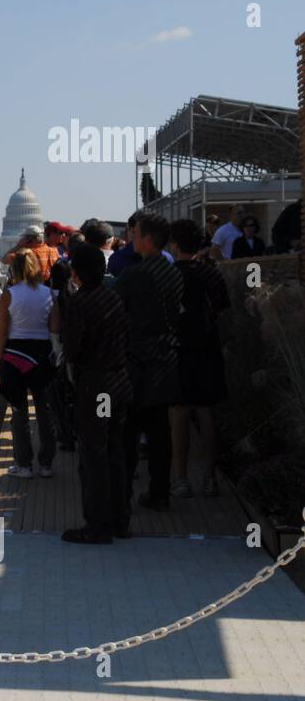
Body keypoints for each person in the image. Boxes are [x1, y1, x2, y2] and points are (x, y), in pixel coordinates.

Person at [60, 244, 133, 544]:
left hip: (96, 386)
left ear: (76, 273)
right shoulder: (114, 297)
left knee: (93, 455)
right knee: (117, 452)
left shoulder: (80, 303)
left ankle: (97, 524)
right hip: (120, 382)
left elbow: (73, 349)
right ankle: (120, 519)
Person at [115, 213, 183, 512]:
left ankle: (123, 494)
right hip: (167, 358)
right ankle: (160, 492)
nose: (132, 238)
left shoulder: (136, 275)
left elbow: (116, 310)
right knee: (159, 432)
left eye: (136, 233)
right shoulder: (173, 273)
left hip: (137, 361)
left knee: (128, 433)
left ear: (148, 239)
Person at [169, 219, 230, 498]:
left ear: (175, 245)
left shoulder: (169, 276)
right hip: (208, 347)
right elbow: (223, 310)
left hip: (177, 349)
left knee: (179, 412)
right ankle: (209, 477)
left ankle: (180, 478)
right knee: (206, 412)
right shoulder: (212, 274)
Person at [0, 249, 59, 478]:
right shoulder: (49, 293)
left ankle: (24, 464)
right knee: (45, 411)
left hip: (14, 354)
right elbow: (54, 329)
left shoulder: (9, 294)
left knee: (19, 412)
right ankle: (47, 464)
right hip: (41, 354)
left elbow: (3, 330)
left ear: (14, 270)